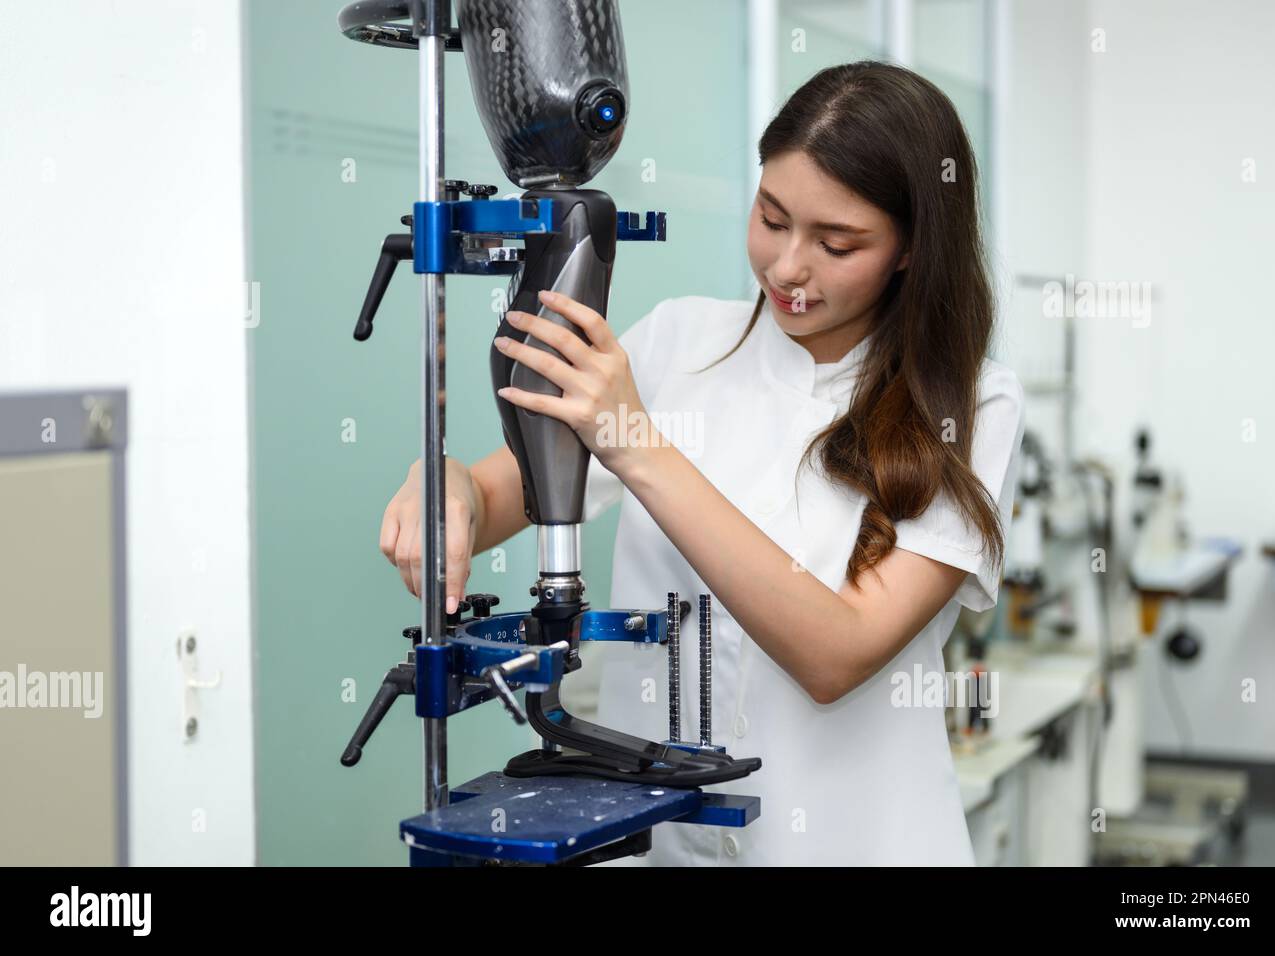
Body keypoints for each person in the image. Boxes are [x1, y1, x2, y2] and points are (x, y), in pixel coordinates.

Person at [380, 60, 1025, 866]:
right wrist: (443, 484)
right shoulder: (679, 341)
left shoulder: (973, 404)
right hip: (655, 848)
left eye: (837, 243)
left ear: (908, 249)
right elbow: (498, 491)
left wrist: (639, 445)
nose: (789, 268)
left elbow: (836, 654)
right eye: (772, 216)